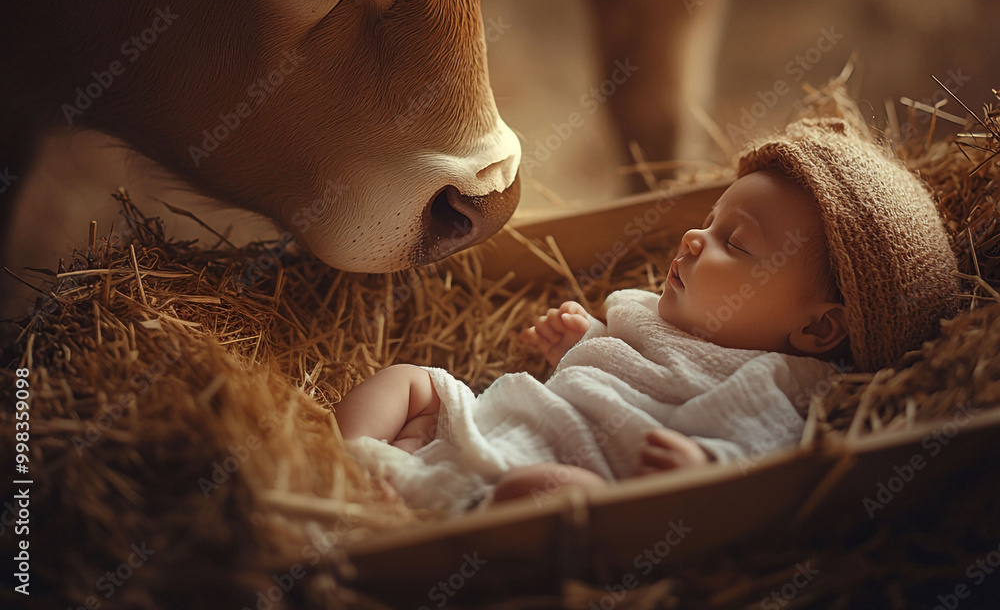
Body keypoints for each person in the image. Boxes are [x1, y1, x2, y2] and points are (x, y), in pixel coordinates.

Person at [334, 119, 961, 508]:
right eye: (710, 220)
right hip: (490, 423)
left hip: (557, 472)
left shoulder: (773, 381)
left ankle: (439, 522)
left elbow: (763, 464)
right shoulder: (649, 313)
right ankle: (344, 460)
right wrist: (582, 342)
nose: (693, 237)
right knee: (410, 382)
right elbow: (617, 363)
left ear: (818, 327)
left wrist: (706, 471)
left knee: (555, 497)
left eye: (734, 244)